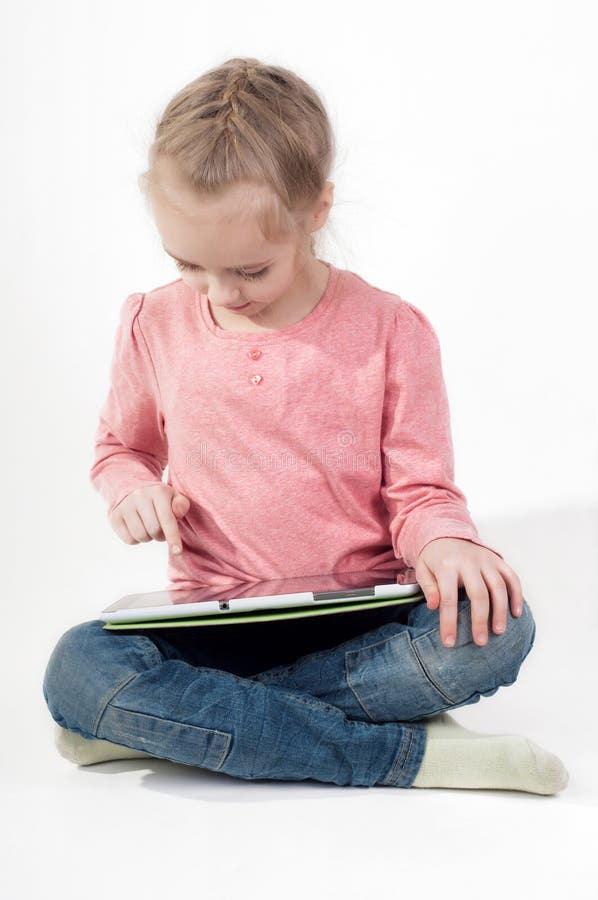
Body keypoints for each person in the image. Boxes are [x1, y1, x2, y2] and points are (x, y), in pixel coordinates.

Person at [42, 56, 568, 794]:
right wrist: (130, 489)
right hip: (215, 633)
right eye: (189, 264)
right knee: (78, 666)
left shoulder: (392, 330)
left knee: (498, 631)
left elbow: (421, 494)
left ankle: (182, 730)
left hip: (365, 627)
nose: (221, 292)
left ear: (315, 211)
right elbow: (121, 450)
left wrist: (448, 543)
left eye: (251, 271)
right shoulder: (152, 323)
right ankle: (412, 756)